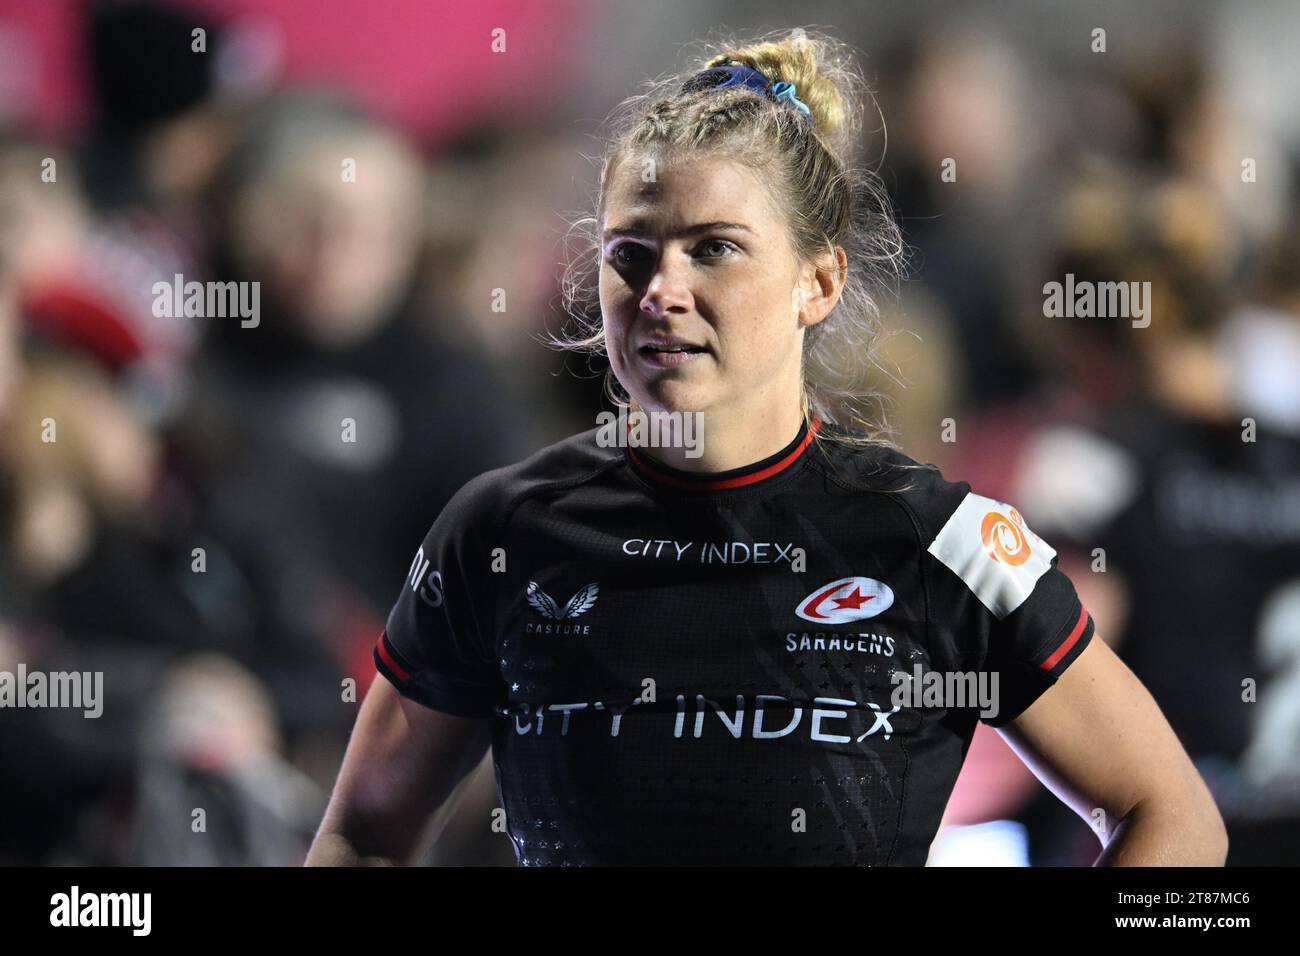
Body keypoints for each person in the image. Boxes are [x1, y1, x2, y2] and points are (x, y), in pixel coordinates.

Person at [306, 30, 1226, 866]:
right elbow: (363, 834)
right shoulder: (501, 530)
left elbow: (1174, 817)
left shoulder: (938, 543)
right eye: (631, 253)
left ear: (818, 282)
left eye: (714, 249)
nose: (661, 288)